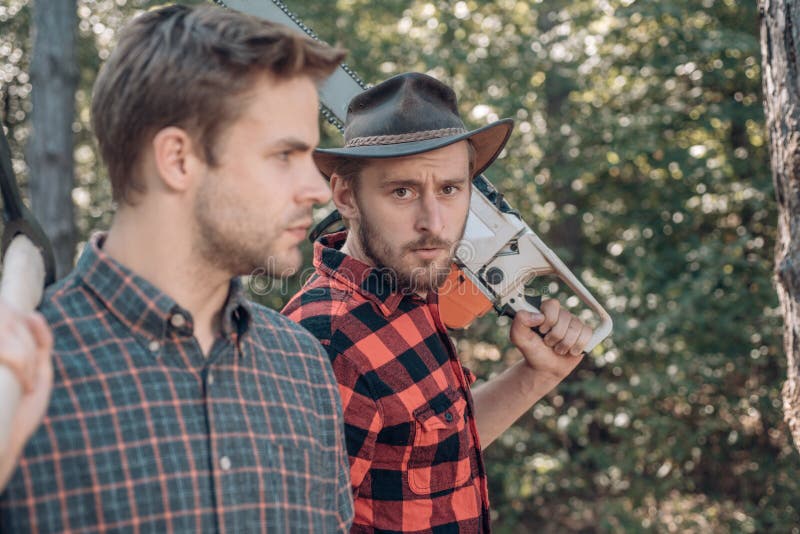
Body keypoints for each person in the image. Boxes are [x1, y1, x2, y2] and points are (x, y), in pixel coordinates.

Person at [0, 5, 353, 532]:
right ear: (178, 159)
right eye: (285, 155)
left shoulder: (303, 367)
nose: (318, 190)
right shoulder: (21, 382)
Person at [282, 72, 593, 533]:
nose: (433, 222)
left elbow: (430, 456)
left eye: (449, 189)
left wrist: (538, 375)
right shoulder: (326, 344)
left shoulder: (410, 294)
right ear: (346, 196)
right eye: (402, 191)